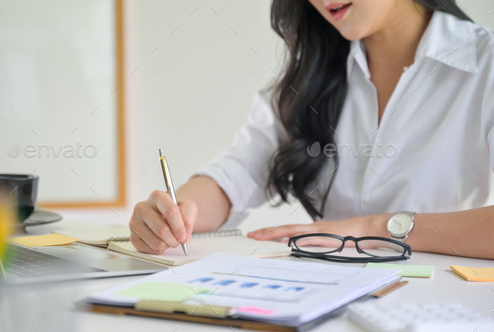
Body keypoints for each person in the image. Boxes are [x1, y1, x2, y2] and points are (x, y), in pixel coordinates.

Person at [128, 0, 494, 259]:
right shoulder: (312, 77)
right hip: (326, 293)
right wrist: (176, 213)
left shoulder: (485, 64)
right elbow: (237, 173)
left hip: (438, 303)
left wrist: (375, 228)